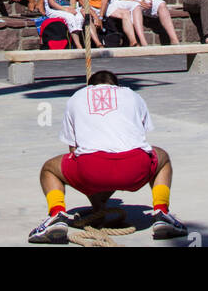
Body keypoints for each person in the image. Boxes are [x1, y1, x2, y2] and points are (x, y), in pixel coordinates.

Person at [28, 71, 188, 243]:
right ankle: (162, 212)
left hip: (90, 170)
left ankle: (56, 214)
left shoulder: (76, 97)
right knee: (162, 158)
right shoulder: (132, 95)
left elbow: (73, 149)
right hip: (134, 167)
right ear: (117, 86)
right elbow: (139, 137)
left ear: (90, 86)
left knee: (49, 169)